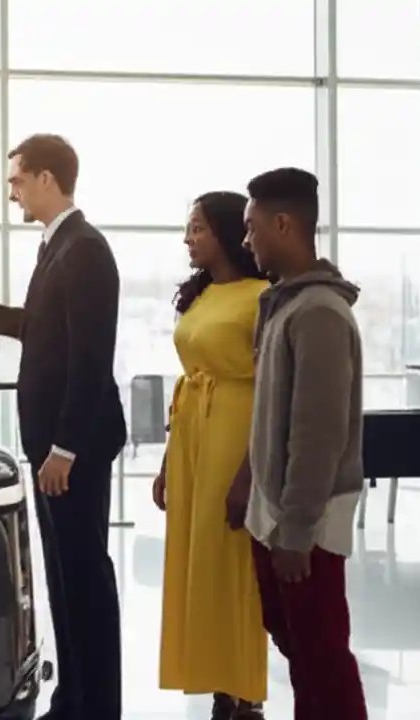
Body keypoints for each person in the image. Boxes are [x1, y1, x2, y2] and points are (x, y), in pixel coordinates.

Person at [0, 134, 124, 720]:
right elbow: (40, 329)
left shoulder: (84, 249)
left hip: (72, 449)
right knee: (64, 577)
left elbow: (90, 359)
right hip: (54, 448)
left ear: (46, 178)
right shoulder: (58, 246)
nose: (11, 191)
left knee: (84, 577)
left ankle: (95, 708)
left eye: (17, 180)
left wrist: (64, 447)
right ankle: (75, 700)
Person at [242, 167, 367, 720]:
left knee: (322, 658)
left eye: (252, 228)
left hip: (305, 522)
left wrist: (294, 531)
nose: (247, 241)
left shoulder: (318, 312)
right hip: (278, 513)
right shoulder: (286, 304)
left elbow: (317, 434)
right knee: (303, 655)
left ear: (284, 224)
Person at [154, 191, 270, 719]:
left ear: (224, 232)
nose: (187, 238)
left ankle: (244, 689)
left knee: (233, 563)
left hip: (233, 433)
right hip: (192, 437)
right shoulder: (202, 295)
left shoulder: (263, 295)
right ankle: (218, 682)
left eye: (197, 228)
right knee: (198, 561)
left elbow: (272, 384)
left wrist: (251, 471)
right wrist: (164, 463)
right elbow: (187, 378)